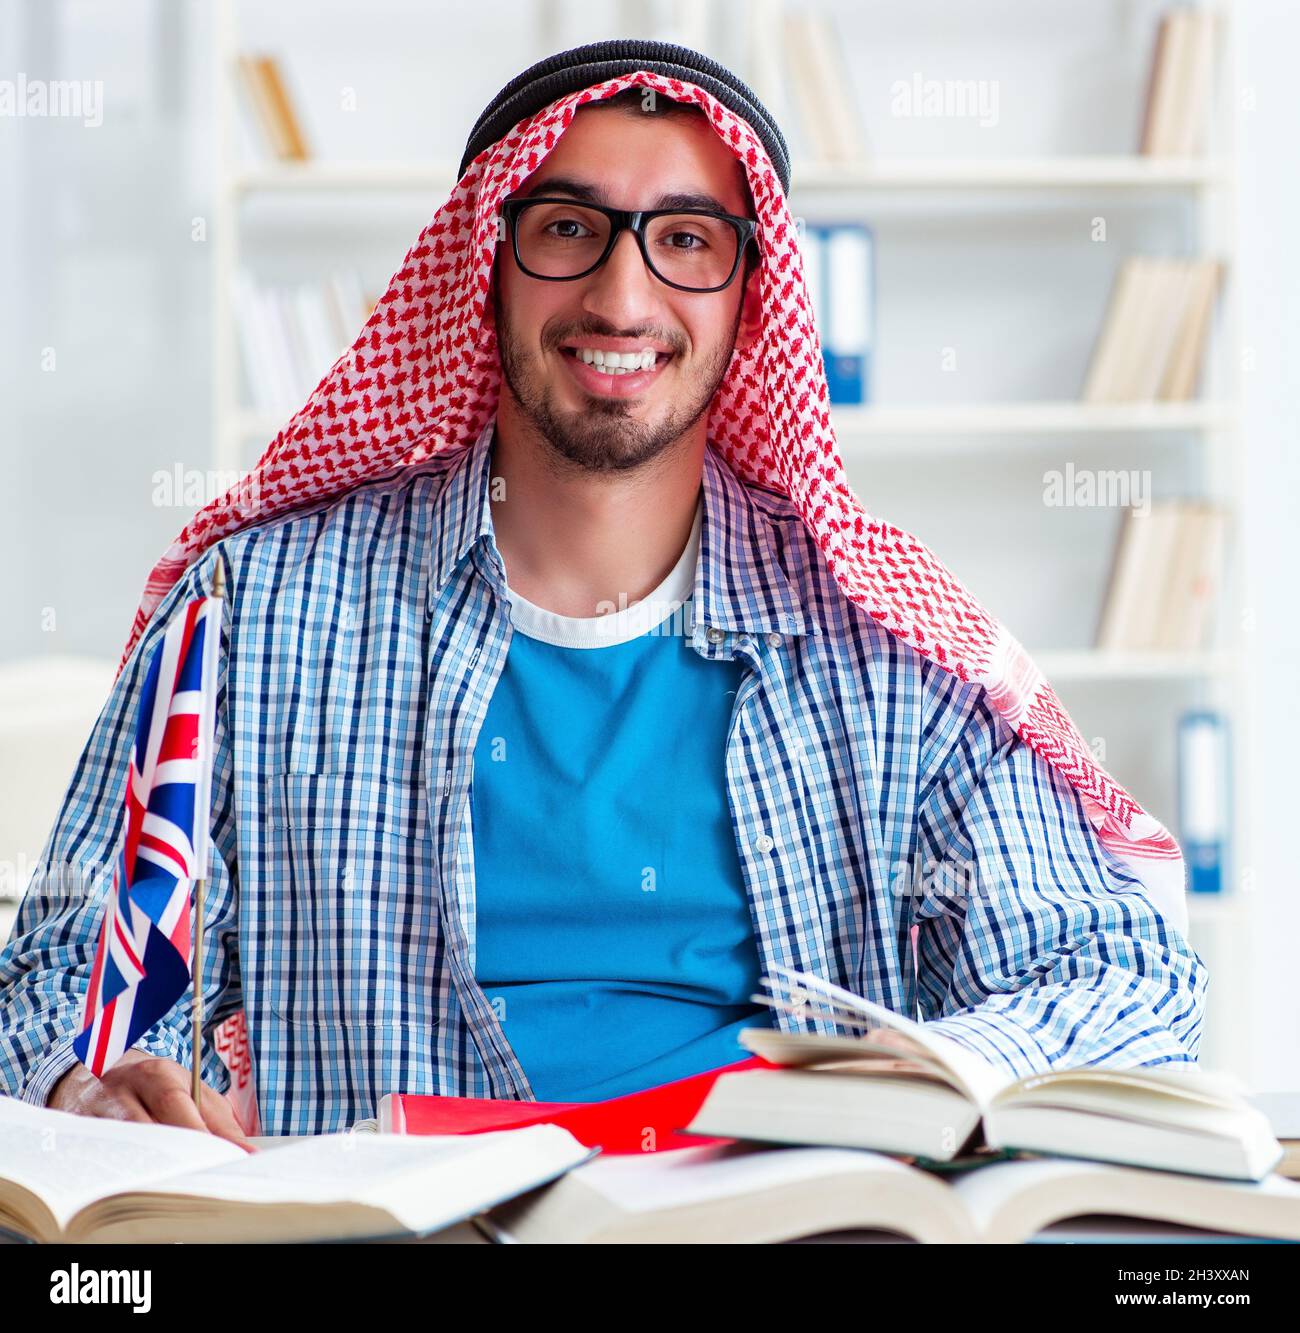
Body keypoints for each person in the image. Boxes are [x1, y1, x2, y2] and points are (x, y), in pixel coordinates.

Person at [0, 42, 1204, 1139]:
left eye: (685, 240)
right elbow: (65, 976)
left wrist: (931, 1073)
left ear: (751, 295)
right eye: (570, 229)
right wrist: (86, 1081)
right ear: (488, 267)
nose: (623, 301)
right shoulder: (255, 613)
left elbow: (1120, 974)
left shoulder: (885, 645)